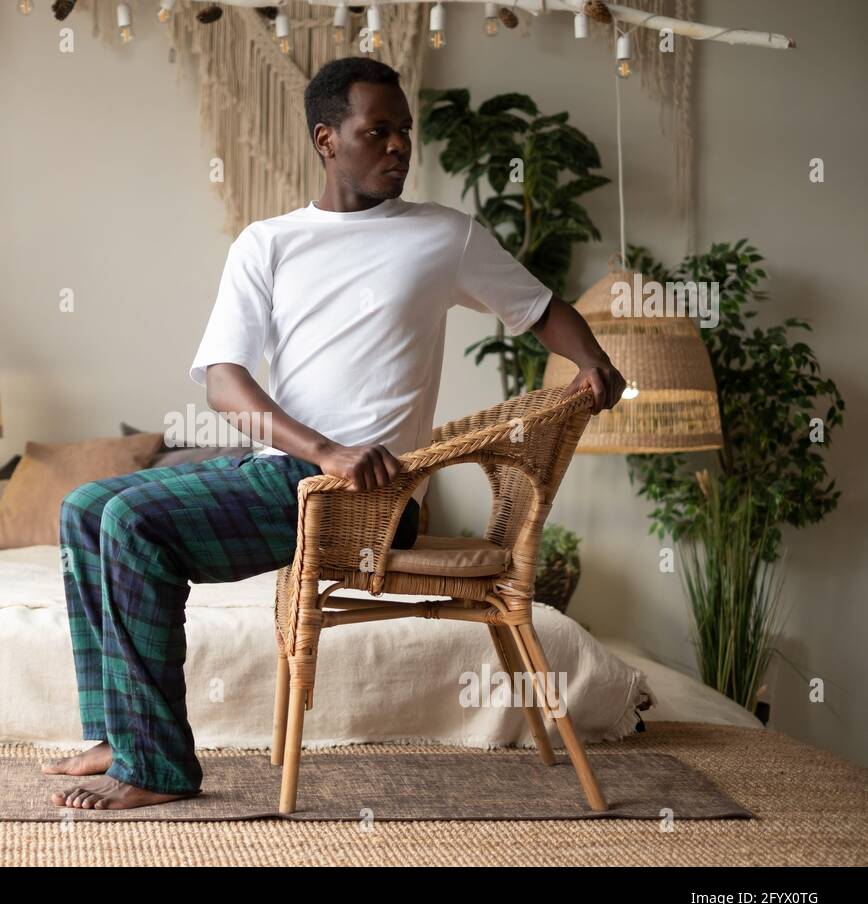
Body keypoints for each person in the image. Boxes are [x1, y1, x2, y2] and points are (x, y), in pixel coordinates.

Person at [44, 56, 625, 810]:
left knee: (128, 520)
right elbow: (223, 379)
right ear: (327, 138)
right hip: (296, 474)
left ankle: (156, 768)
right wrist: (323, 447)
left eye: (404, 132)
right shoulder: (269, 242)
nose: (397, 147)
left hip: (373, 502)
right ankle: (118, 733)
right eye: (375, 131)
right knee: (82, 509)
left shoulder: (444, 237)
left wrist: (594, 360)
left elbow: (543, 308)